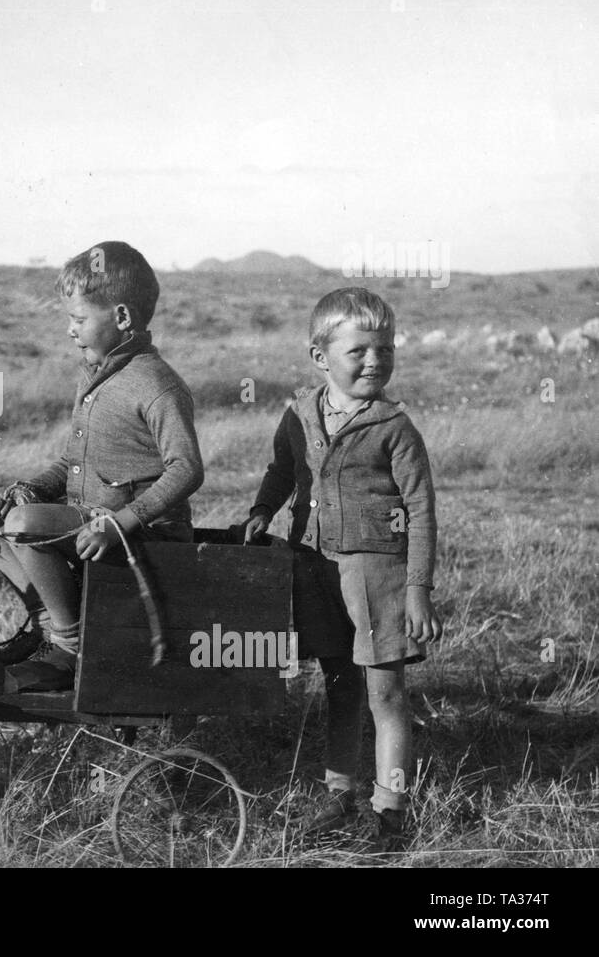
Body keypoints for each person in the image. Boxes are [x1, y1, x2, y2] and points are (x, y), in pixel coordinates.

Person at [243, 287, 440, 853]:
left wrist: (417, 591)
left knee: (387, 695)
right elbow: (282, 471)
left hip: (377, 577)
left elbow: (422, 511)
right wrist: (262, 510)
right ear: (319, 356)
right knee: (338, 686)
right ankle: (339, 793)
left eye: (385, 349)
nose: (375, 361)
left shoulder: (394, 427)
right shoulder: (299, 415)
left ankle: (389, 814)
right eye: (359, 351)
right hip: (315, 570)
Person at [0, 241, 204, 691]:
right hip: (90, 524)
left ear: (121, 318)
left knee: (23, 526)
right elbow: (71, 463)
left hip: (142, 534)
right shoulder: (96, 377)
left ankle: (70, 647)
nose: (69, 331)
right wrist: (29, 490)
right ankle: (45, 630)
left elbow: (187, 469)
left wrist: (121, 522)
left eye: (78, 319)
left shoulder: (156, 385)